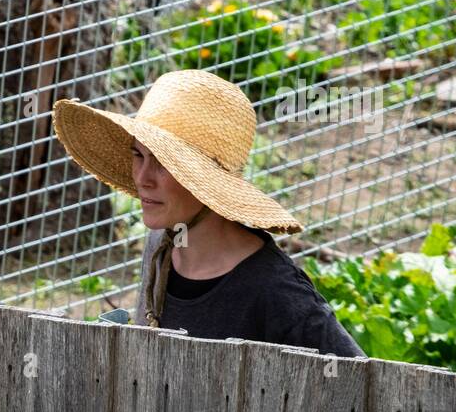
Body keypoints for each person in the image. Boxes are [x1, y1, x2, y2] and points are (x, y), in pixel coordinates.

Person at [53, 69, 364, 357]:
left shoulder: (276, 291)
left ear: (205, 180)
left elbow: (360, 385)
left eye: (162, 162)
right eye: (138, 155)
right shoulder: (161, 243)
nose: (142, 178)